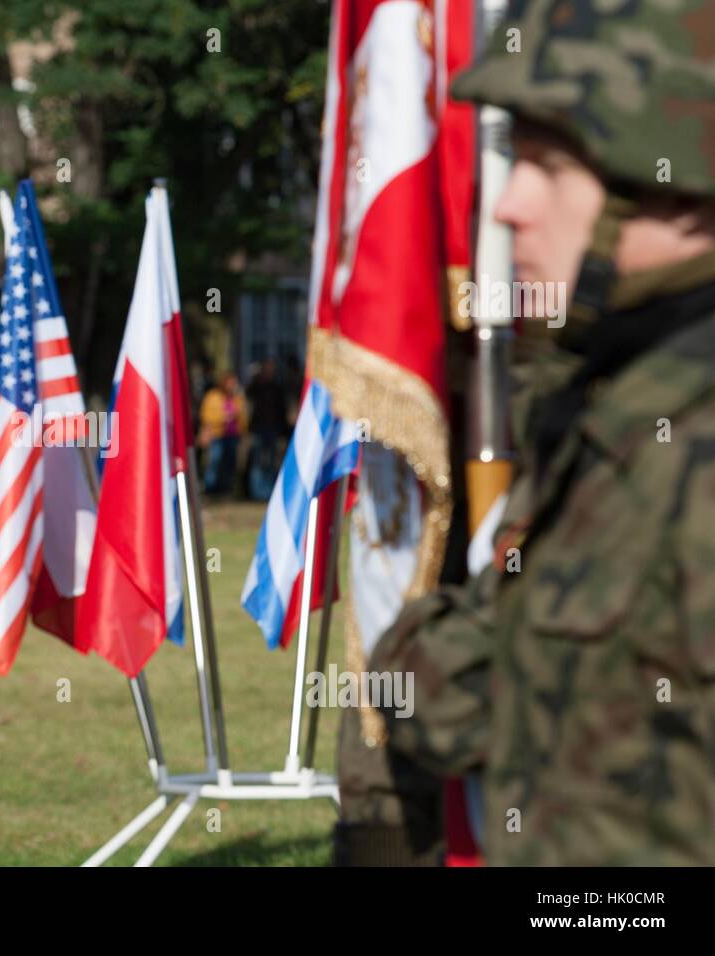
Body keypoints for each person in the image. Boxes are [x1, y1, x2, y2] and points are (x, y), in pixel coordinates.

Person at [364, 0, 715, 865]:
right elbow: (441, 693)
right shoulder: (612, 415)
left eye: (550, 167)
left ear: (672, 193)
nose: (512, 204)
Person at [197, 371, 247, 496]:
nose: (233, 386)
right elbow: (206, 415)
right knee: (214, 462)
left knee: (230, 463)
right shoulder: (212, 397)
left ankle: (226, 489)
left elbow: (243, 415)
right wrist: (223, 417)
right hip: (217, 435)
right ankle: (210, 488)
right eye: (230, 383)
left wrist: (241, 424)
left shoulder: (237, 398)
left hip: (232, 436)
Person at [245, 358, 286, 500]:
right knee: (257, 462)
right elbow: (247, 397)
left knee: (271, 462)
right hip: (258, 428)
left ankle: (269, 491)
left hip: (272, 429)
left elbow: (282, 410)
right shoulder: (256, 386)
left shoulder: (277, 388)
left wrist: (283, 428)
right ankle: (256, 491)